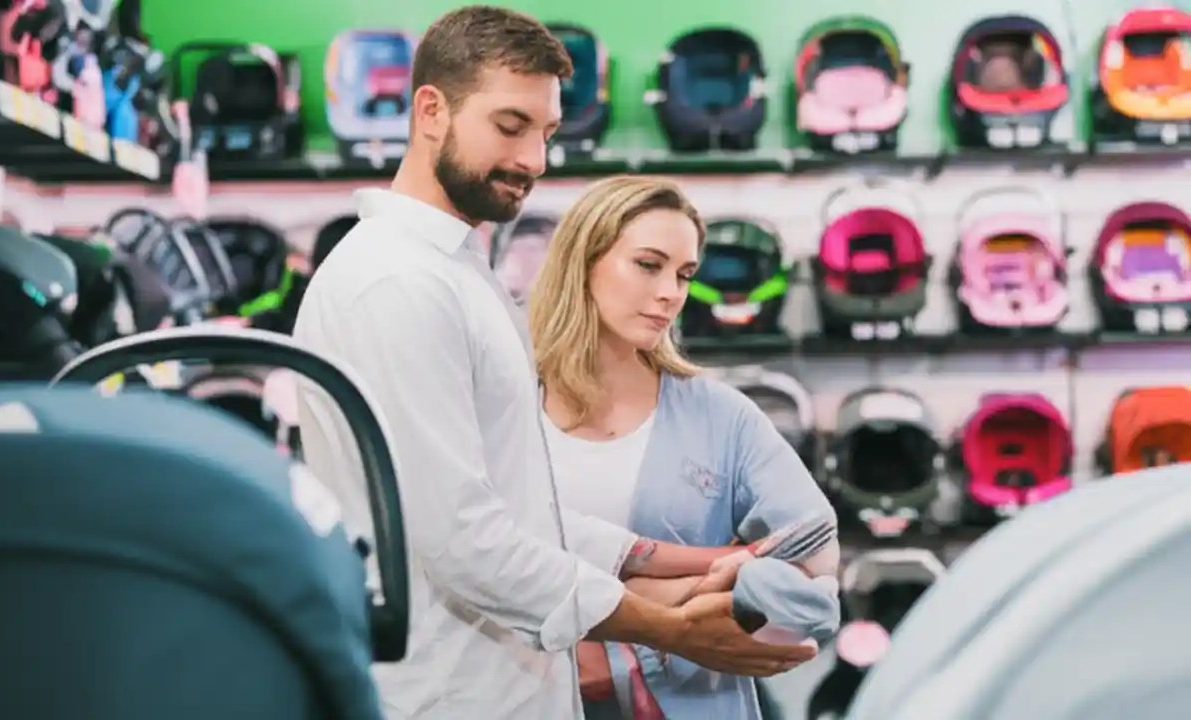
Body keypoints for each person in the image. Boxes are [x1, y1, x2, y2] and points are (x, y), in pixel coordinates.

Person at [291, 6, 817, 719]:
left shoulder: (453, 271)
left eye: (546, 133)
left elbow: (514, 503)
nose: (535, 161)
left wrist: (671, 560)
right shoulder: (400, 286)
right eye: (510, 127)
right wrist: (665, 628)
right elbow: (461, 536)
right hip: (449, 695)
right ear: (431, 110)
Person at [528, 175, 841, 719]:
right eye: (648, 265)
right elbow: (474, 560)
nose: (672, 291)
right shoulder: (505, 406)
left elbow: (815, 564)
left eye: (685, 274)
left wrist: (615, 620)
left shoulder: (721, 418)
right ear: (583, 260)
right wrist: (688, 589)